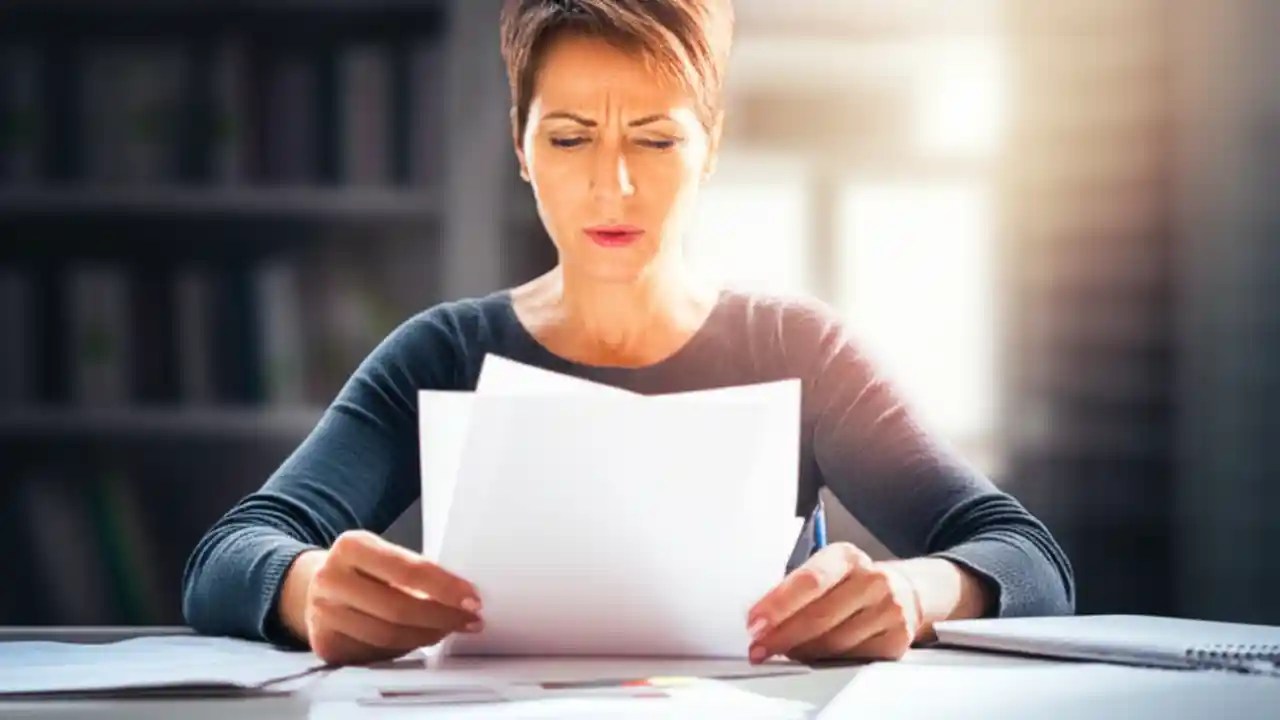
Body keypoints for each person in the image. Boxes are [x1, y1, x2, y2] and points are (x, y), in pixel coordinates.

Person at [183, 0, 1074, 667]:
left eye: (654, 140)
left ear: (710, 144)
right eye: (570, 139)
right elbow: (229, 555)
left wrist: (916, 593)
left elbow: (1030, 560)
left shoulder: (797, 349)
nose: (613, 187)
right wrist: (307, 591)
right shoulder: (441, 354)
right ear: (521, 146)